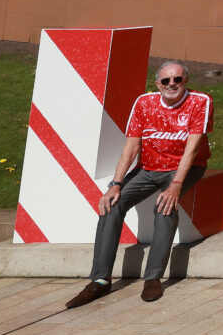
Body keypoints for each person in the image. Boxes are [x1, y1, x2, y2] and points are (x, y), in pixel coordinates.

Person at [65, 61, 213, 308]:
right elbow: (131, 146)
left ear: (185, 81)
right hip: (148, 169)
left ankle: (153, 278)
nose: (171, 84)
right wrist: (116, 183)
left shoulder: (199, 101)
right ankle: (100, 280)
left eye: (177, 79)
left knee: (164, 206)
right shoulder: (144, 103)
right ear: (158, 84)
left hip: (184, 168)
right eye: (166, 81)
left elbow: (192, 149)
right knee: (112, 204)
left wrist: (176, 185)